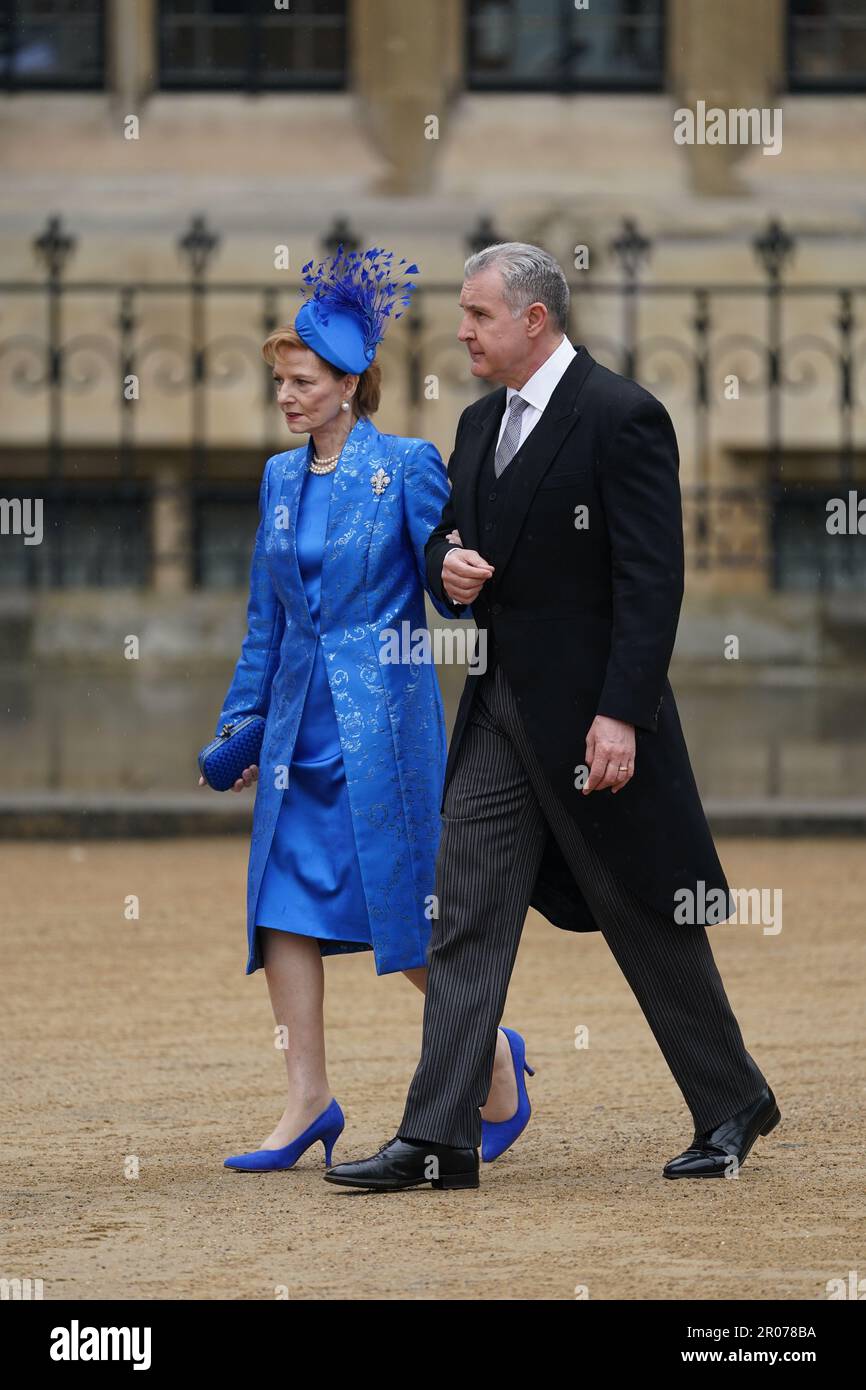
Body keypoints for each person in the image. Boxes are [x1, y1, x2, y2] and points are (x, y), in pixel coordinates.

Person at [323, 241, 780, 1193]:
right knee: (467, 915)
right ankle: (440, 1135)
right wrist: (448, 565)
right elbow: (453, 538)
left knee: (643, 910)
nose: (461, 331)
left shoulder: (624, 416)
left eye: (479, 315)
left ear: (535, 319)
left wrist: (623, 715)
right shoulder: (479, 420)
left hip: (591, 723)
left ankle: (732, 1099)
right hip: (496, 709)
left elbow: (653, 582)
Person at [201, 244, 526, 1172]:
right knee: (281, 910)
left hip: (381, 725)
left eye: (303, 381)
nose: (288, 397)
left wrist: (464, 582)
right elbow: (266, 620)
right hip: (296, 724)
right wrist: (239, 725)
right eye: (280, 382)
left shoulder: (410, 466)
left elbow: (447, 579)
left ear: (350, 384)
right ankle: (308, 1099)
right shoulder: (275, 478)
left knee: (407, 916)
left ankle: (496, 1057)